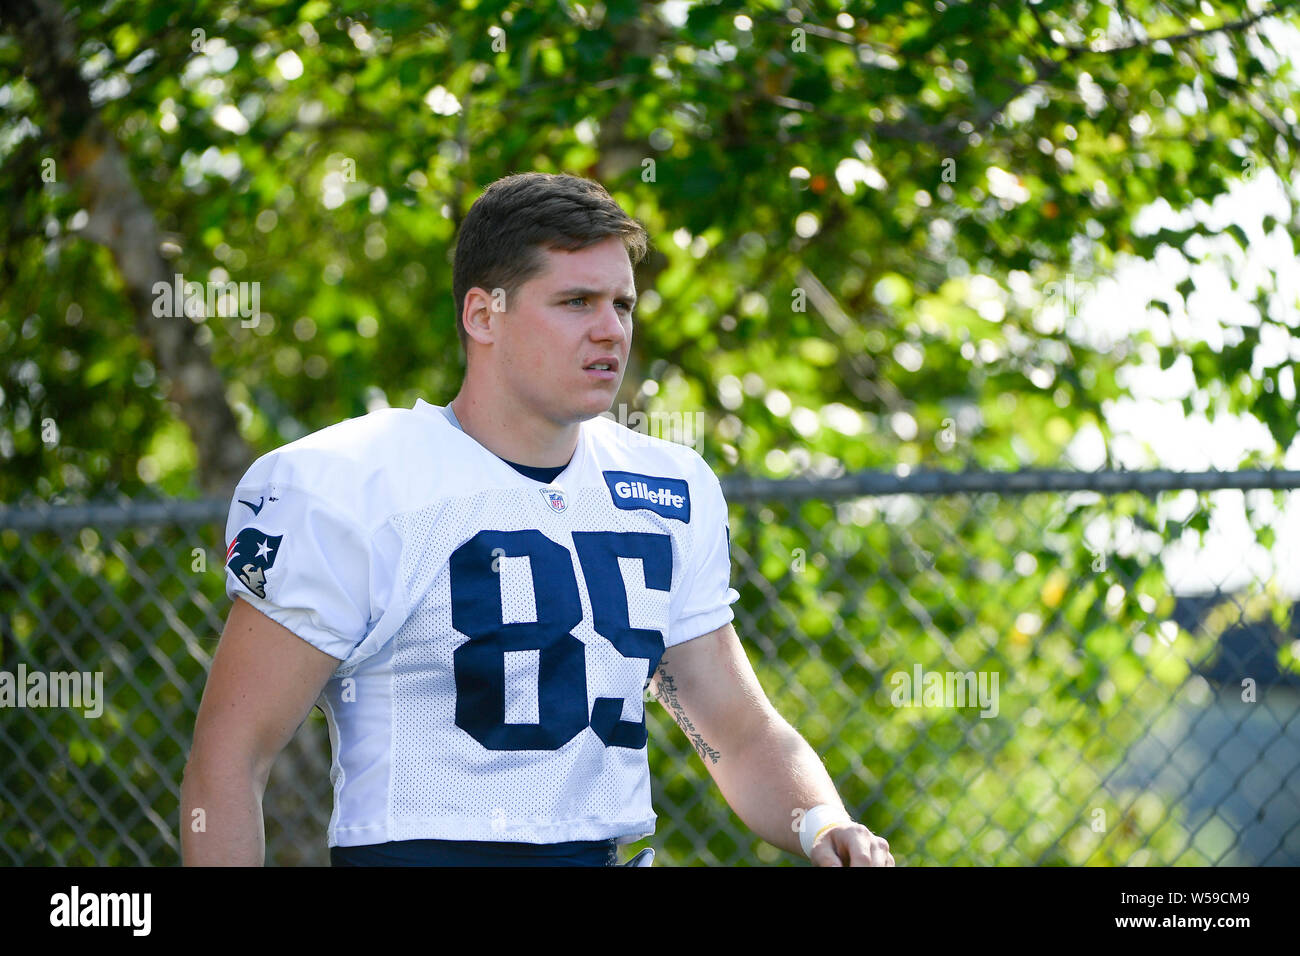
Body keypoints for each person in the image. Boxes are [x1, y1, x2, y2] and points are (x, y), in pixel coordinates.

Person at [180, 172, 895, 867]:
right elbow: (231, 753)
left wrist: (822, 823)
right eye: (577, 301)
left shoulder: (666, 488)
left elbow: (737, 731)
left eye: (623, 304)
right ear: (483, 314)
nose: (611, 330)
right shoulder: (352, 483)